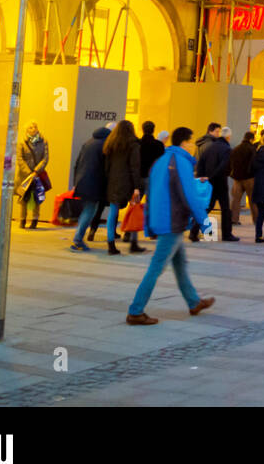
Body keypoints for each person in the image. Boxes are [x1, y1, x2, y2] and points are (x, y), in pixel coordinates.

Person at [126, 127, 216, 325]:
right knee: (156, 267)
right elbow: (188, 195)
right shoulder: (181, 162)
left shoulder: (162, 161)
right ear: (184, 143)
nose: (193, 146)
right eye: (191, 142)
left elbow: (159, 189)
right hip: (171, 222)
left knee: (180, 264)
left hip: (163, 219)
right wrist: (205, 223)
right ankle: (136, 310)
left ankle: (193, 302)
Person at [103, 120, 143, 255]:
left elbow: (107, 166)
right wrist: (136, 187)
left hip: (113, 182)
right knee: (133, 210)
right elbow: (135, 167)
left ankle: (111, 244)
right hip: (128, 183)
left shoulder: (111, 144)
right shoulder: (133, 144)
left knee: (112, 213)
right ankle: (133, 242)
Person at [70, 127, 111, 253]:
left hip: (82, 181)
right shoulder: (104, 146)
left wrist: (75, 182)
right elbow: (106, 168)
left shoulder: (88, 143)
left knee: (88, 210)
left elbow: (77, 164)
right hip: (93, 183)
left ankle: (78, 238)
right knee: (89, 211)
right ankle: (77, 239)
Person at [15, 122, 49, 230]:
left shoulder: (43, 141)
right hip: (24, 175)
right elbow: (19, 159)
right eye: (30, 127)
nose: (33, 128)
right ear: (27, 130)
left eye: (35, 126)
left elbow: (45, 158)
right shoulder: (22, 143)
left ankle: (35, 220)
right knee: (23, 198)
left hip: (37, 175)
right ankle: (22, 220)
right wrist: (28, 172)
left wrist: (36, 171)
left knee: (37, 197)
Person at [229, 131, 257, 226]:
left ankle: (234, 219)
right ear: (251, 139)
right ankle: (256, 220)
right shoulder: (252, 149)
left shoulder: (236, 149)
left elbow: (231, 162)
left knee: (236, 200)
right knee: (253, 200)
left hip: (237, 178)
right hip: (249, 178)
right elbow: (254, 163)